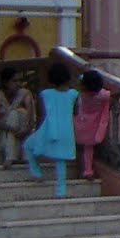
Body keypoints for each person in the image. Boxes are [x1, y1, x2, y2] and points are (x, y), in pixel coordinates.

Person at [23, 62, 77, 197]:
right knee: (60, 160)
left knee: (28, 146)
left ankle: (36, 172)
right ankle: (61, 190)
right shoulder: (73, 94)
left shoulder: (45, 94)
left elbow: (42, 113)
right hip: (67, 131)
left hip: (50, 128)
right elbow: (75, 112)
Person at [73, 69, 120, 179]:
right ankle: (88, 171)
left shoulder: (82, 95)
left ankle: (81, 169)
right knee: (88, 148)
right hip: (93, 124)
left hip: (79, 122)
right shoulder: (102, 95)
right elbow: (116, 93)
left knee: (80, 148)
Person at [0, 68, 36, 169]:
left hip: (20, 134)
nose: (18, 84)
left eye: (20, 80)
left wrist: (24, 130)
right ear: (5, 82)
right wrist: (13, 129)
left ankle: (25, 155)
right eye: (14, 81)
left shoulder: (24, 93)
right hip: (0, 135)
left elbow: (31, 120)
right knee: (14, 114)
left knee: (22, 112)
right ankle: (10, 156)